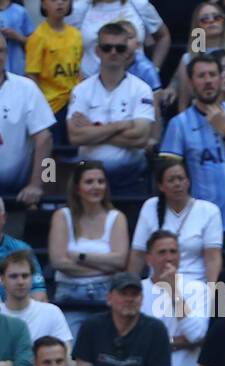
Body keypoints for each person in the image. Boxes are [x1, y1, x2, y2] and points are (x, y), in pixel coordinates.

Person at [157, 55, 225, 243]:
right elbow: (169, 180)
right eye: (201, 76)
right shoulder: (179, 124)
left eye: (212, 74)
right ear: (191, 82)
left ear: (221, 79)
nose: (208, 81)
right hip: (201, 228)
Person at [66, 22, 156, 195]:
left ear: (127, 51)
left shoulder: (141, 89)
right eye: (107, 47)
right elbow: (75, 136)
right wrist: (120, 126)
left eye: (120, 48)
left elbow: (141, 137)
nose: (113, 52)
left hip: (130, 178)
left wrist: (94, 129)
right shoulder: (81, 90)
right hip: (88, 178)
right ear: (98, 51)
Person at [72, 272, 171, 366]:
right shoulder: (91, 327)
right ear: (109, 298)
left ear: (142, 299)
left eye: (134, 294)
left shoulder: (156, 330)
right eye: (123, 293)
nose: (129, 299)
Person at [47, 160, 129, 340]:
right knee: (70, 355)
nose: (96, 187)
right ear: (77, 188)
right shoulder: (62, 216)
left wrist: (80, 257)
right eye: (89, 182)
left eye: (100, 181)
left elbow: (120, 261)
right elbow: (59, 261)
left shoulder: (117, 217)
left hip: (106, 294)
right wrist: (104, 266)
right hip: (69, 294)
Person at [128, 160, 223, 287]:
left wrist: (210, 291)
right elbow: (138, 254)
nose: (177, 184)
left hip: (195, 285)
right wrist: (130, 285)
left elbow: (212, 258)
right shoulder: (150, 206)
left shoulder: (209, 210)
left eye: (181, 178)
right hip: (157, 284)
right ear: (161, 186)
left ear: (188, 181)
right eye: (171, 180)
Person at [138, 232, 207, 366]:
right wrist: (177, 342)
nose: (169, 258)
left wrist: (173, 290)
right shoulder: (138, 290)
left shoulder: (198, 288)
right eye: (162, 252)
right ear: (148, 258)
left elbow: (196, 335)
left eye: (173, 252)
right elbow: (138, 340)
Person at [0, 41, 54, 222]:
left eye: (1, 50)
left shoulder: (26, 88)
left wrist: (38, 184)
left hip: (18, 193)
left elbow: (46, 139)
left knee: (13, 248)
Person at [69, 0, 168, 78]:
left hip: (137, 84)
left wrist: (153, 71)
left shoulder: (139, 4)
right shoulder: (80, 8)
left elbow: (163, 37)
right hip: (90, 83)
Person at [25, 0, 80, 136]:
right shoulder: (38, 36)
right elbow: (32, 75)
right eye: (54, 0)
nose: (60, 3)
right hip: (51, 104)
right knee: (53, 151)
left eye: (64, 0)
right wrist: (40, 106)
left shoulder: (76, 34)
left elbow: (78, 69)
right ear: (43, 5)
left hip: (74, 102)